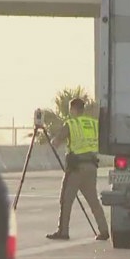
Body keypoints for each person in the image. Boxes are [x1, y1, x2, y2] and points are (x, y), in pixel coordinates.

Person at [46, 98, 110, 241]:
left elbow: (56, 142)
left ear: (73, 109)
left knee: (66, 200)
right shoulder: (93, 124)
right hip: (91, 167)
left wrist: (51, 140)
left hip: (76, 168)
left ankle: (63, 231)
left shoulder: (71, 124)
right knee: (93, 201)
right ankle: (104, 230)